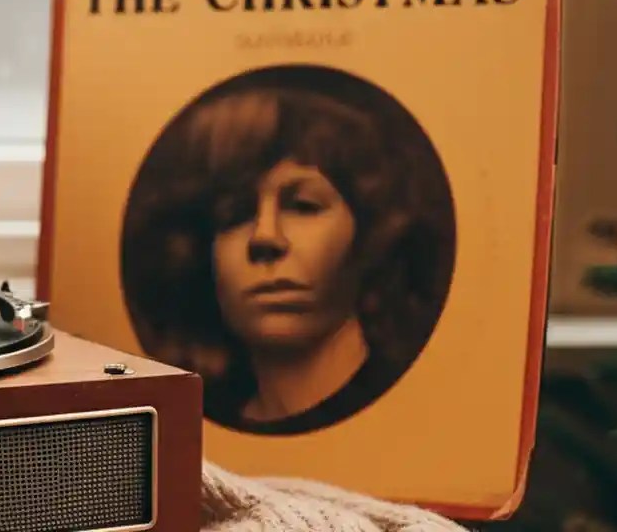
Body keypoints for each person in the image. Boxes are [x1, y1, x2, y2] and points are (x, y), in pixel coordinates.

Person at [120, 65, 454, 435]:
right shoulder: (191, 428)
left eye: (304, 206)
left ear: (370, 233)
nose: (266, 238)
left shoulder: (424, 423)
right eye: (236, 213)